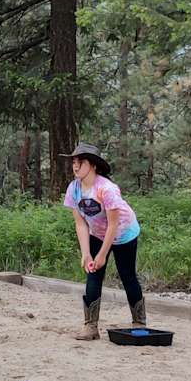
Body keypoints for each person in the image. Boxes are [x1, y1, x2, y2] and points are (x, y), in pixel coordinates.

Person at [60, 142, 145, 341]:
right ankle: (90, 326)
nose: (75, 165)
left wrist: (102, 254)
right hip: (97, 233)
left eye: (81, 161)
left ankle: (139, 322)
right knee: (93, 273)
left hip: (124, 233)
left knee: (127, 275)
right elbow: (80, 224)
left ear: (94, 165)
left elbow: (113, 225)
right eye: (74, 161)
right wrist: (87, 253)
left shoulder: (106, 189)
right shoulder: (73, 189)